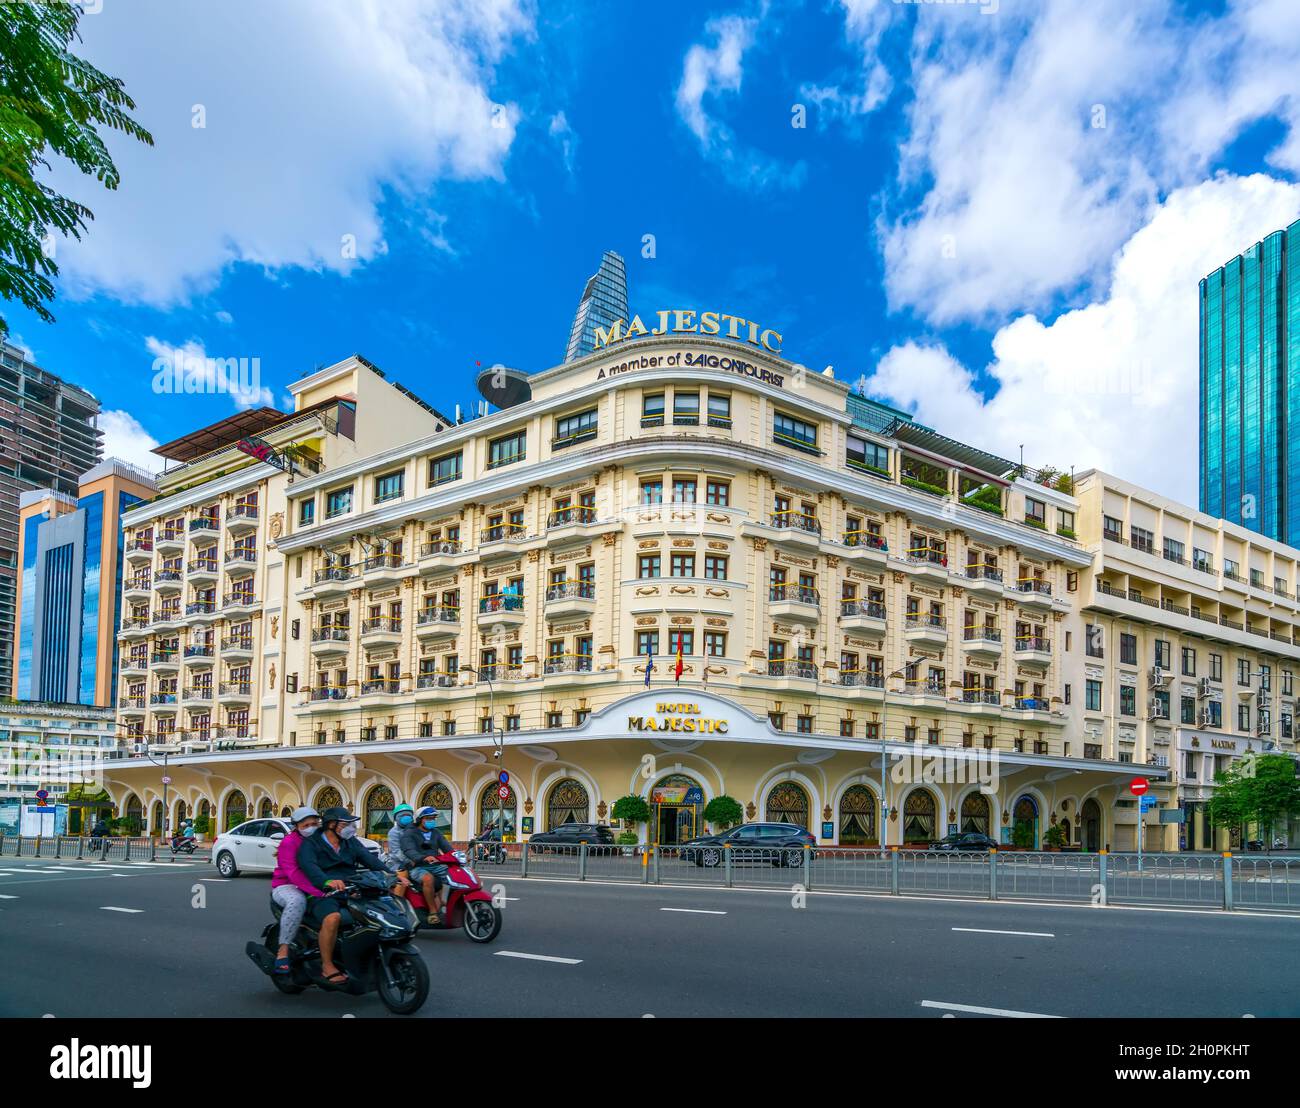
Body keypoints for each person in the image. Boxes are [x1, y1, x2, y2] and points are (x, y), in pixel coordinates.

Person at [298, 806, 406, 987]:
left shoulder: (350, 842)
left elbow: (370, 860)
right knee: (333, 918)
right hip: (322, 892)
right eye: (346, 824)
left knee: (373, 912)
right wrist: (326, 881)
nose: (351, 827)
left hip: (351, 888)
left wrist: (393, 875)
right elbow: (310, 868)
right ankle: (327, 965)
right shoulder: (311, 844)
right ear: (331, 825)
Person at [269, 807, 325, 974]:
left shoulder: (322, 839)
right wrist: (318, 891)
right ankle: (283, 950)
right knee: (297, 901)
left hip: (318, 884)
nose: (311, 827)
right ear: (297, 826)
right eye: (306, 825)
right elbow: (293, 874)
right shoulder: (289, 842)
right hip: (287, 885)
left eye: (314, 823)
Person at [399, 805, 455, 925]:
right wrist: (422, 857)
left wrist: (457, 855)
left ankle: (451, 905)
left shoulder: (436, 833)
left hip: (436, 864)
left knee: (456, 875)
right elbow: (409, 850)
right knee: (428, 879)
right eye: (428, 818)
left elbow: (447, 848)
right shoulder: (409, 833)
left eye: (433, 818)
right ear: (420, 820)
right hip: (418, 866)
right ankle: (433, 912)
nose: (431, 821)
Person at [386, 804, 415, 874]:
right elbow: (397, 852)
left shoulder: (415, 829)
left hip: (416, 861)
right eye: (402, 815)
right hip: (397, 864)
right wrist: (409, 861)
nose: (406, 817)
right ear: (396, 818)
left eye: (408, 815)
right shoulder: (393, 832)